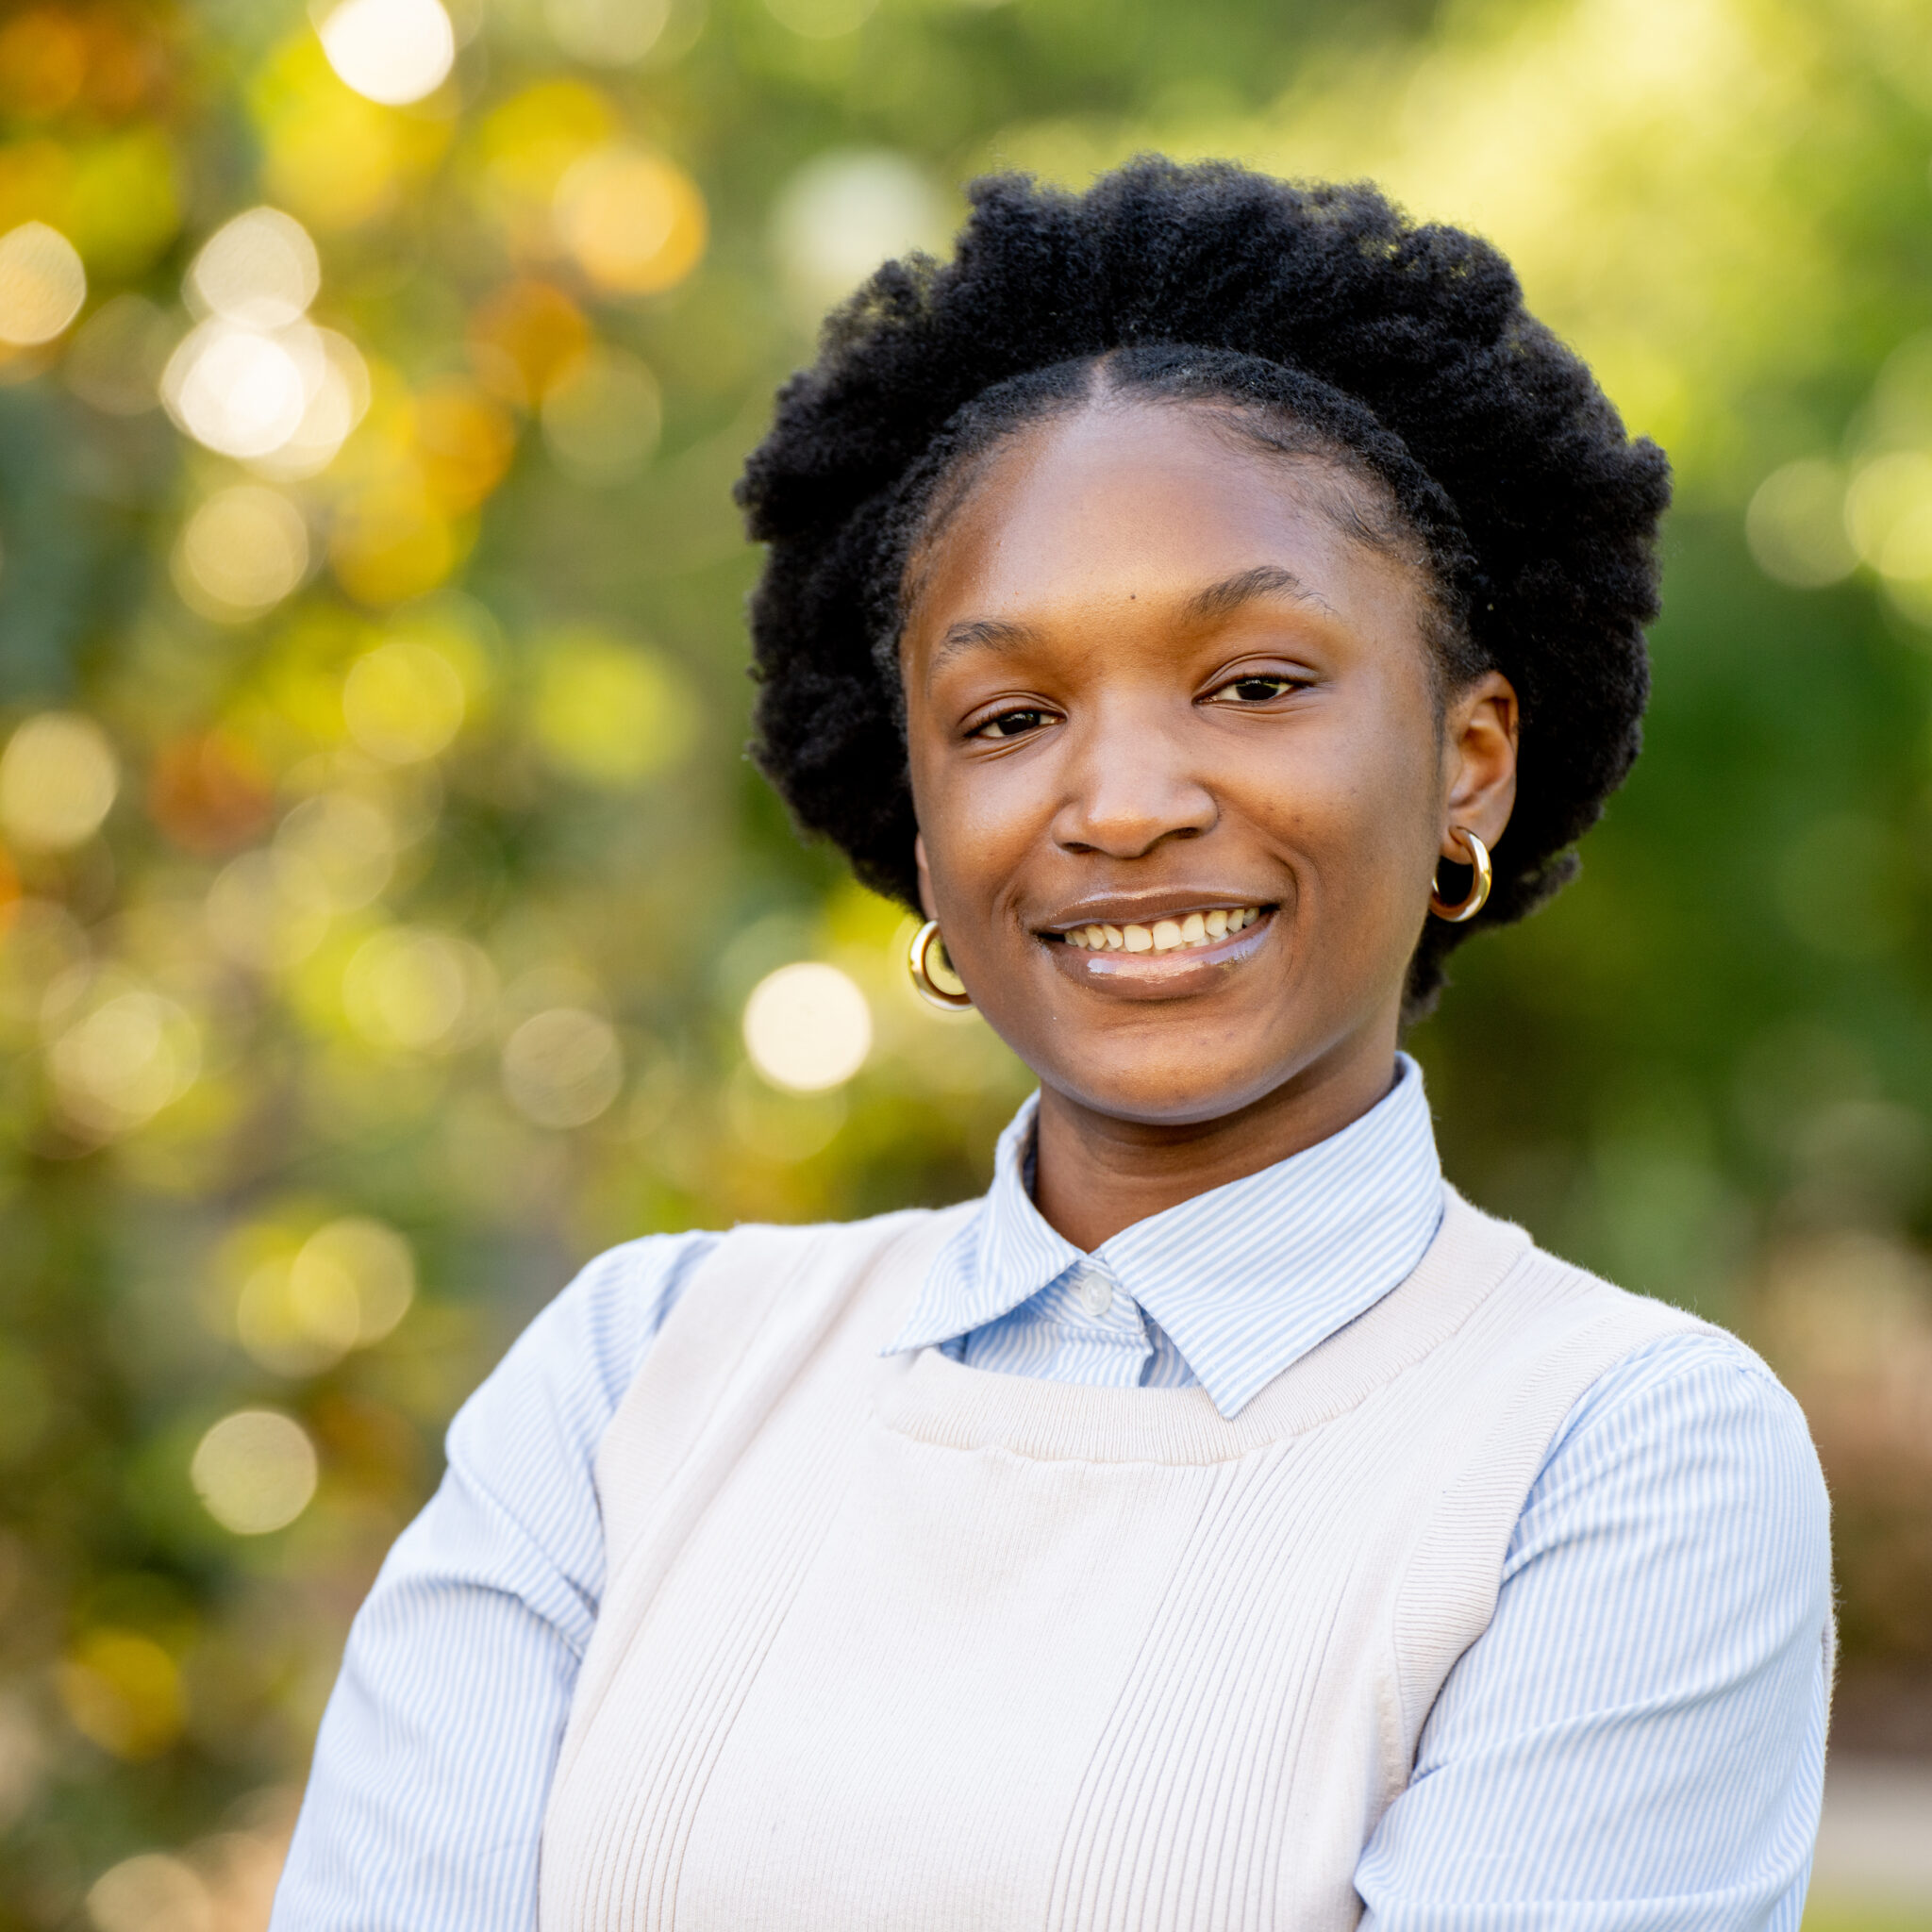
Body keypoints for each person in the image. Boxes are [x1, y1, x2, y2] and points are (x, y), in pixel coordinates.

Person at [271, 160, 1832, 1931]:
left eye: (1254, 682)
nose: (1126, 805)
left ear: (1471, 755)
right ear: (925, 824)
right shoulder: (640, 1379)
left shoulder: (1618, 1456)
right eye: (1010, 717)